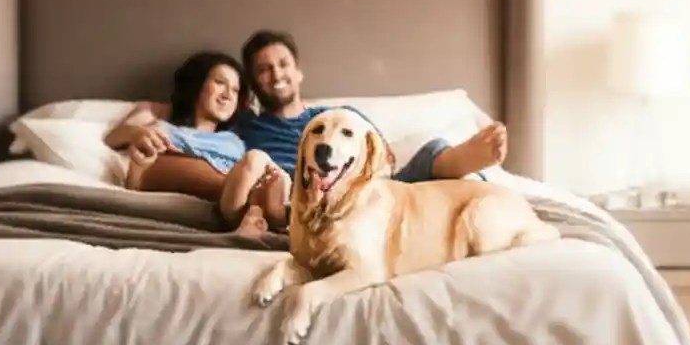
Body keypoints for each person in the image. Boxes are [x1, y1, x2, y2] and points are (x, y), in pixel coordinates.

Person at [230, 29, 510, 211]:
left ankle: (466, 160)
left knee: (432, 151)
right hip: (298, 198)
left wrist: (353, 182)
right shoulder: (246, 126)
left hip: (362, 190)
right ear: (253, 83)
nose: (277, 75)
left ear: (298, 72)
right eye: (264, 70)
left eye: (283, 65)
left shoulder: (338, 117)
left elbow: (384, 160)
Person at [103, 51, 289, 235]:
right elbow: (113, 137)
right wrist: (138, 133)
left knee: (265, 167)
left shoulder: (234, 141)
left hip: (238, 182)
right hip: (193, 178)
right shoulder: (164, 127)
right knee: (254, 161)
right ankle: (257, 208)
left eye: (235, 90)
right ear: (197, 85)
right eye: (219, 83)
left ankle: (262, 208)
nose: (227, 95)